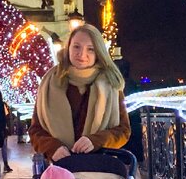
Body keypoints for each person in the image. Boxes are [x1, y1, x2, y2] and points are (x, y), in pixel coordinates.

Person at [29, 23, 130, 162]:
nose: (82, 54)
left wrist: (95, 141)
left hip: (98, 167)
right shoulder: (49, 82)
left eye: (90, 49)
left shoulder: (110, 84)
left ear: (98, 53)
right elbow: (35, 130)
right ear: (68, 47)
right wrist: (53, 147)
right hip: (60, 169)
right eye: (76, 46)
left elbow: (123, 130)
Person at [1, 101, 13, 174]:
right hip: (2, 129)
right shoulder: (2, 104)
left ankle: (5, 165)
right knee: (3, 147)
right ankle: (6, 165)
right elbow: (6, 117)